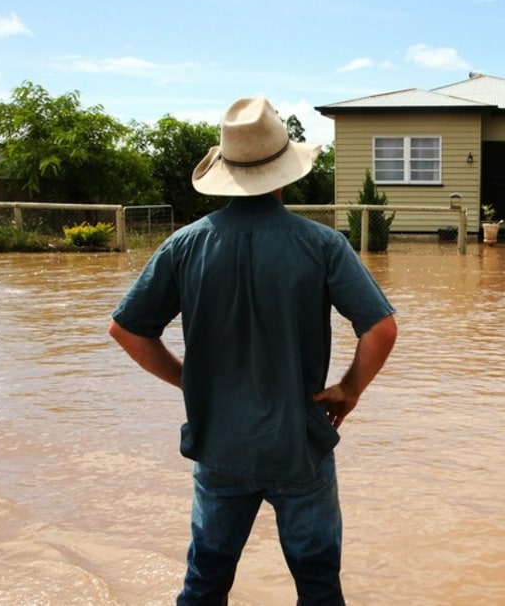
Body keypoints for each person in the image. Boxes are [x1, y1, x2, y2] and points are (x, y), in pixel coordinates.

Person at [108, 96, 397, 605]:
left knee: (205, 583)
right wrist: (349, 390)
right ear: (284, 173)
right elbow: (380, 329)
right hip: (298, 444)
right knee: (318, 586)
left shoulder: (185, 246)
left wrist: (188, 378)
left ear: (226, 171)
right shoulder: (322, 245)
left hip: (219, 445)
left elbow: (127, 331)